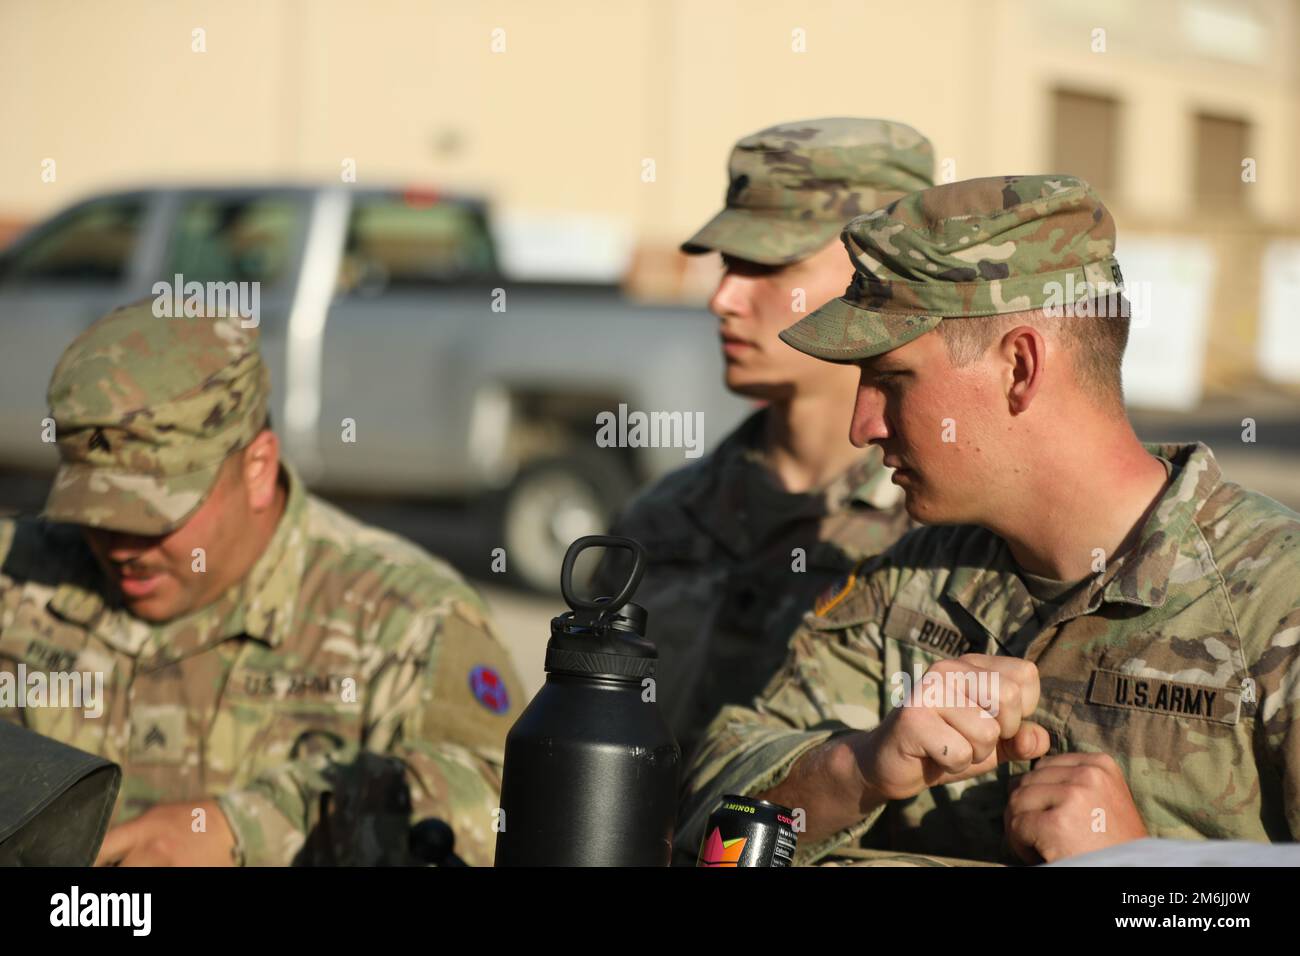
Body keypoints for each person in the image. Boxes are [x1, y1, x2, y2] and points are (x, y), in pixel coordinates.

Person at [677, 174, 1300, 866]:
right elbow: (713, 810)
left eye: (891, 378)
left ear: (1020, 368)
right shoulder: (909, 578)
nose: (862, 426)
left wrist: (1144, 873)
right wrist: (859, 770)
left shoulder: (1276, 608)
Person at [0, 300, 523, 866]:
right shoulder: (18, 573)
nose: (121, 547)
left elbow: (498, 800)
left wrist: (245, 827)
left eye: (155, 517)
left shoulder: (406, 615)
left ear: (257, 469)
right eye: (97, 513)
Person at [593, 118, 932, 763]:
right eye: (728, 265)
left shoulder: (939, 540)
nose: (724, 297)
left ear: (881, 273)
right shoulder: (662, 520)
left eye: (769, 265)